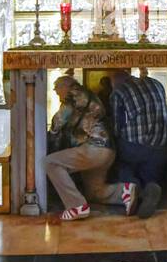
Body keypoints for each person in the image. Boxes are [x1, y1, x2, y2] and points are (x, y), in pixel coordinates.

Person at [46, 75, 135, 221]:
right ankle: (124, 191)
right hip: (108, 150)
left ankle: (76, 206)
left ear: (65, 86)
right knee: (94, 192)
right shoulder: (89, 95)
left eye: (57, 90)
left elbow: (59, 120)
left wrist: (51, 136)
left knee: (50, 162)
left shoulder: (73, 95)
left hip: (94, 147)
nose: (57, 94)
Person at [108, 68, 167, 219]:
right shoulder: (156, 83)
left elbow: (117, 126)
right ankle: (150, 187)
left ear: (114, 81)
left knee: (120, 162)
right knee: (150, 172)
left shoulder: (118, 92)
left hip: (134, 147)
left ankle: (135, 191)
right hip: (161, 144)